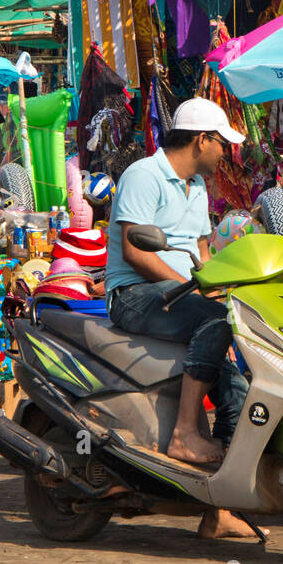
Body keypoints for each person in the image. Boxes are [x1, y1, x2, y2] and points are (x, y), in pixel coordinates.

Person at [104, 96, 258, 540]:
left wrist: (221, 289)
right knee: (214, 320)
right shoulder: (143, 175)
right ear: (202, 140)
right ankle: (185, 433)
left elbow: (203, 253)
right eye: (221, 144)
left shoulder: (197, 188)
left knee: (237, 389)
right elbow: (134, 250)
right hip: (134, 296)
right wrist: (189, 292)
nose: (225, 152)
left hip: (180, 296)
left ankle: (219, 510)